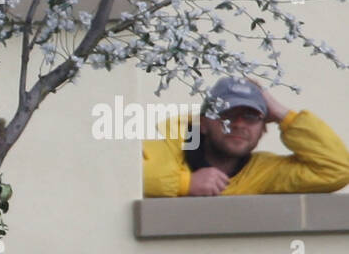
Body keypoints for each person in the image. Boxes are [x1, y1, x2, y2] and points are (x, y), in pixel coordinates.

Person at [142, 76, 349, 197]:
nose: (239, 124)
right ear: (203, 123)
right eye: (228, 114)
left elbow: (337, 170)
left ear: (263, 129)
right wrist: (186, 183)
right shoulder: (171, 139)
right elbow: (130, 176)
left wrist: (282, 114)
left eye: (251, 117)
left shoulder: (262, 172)